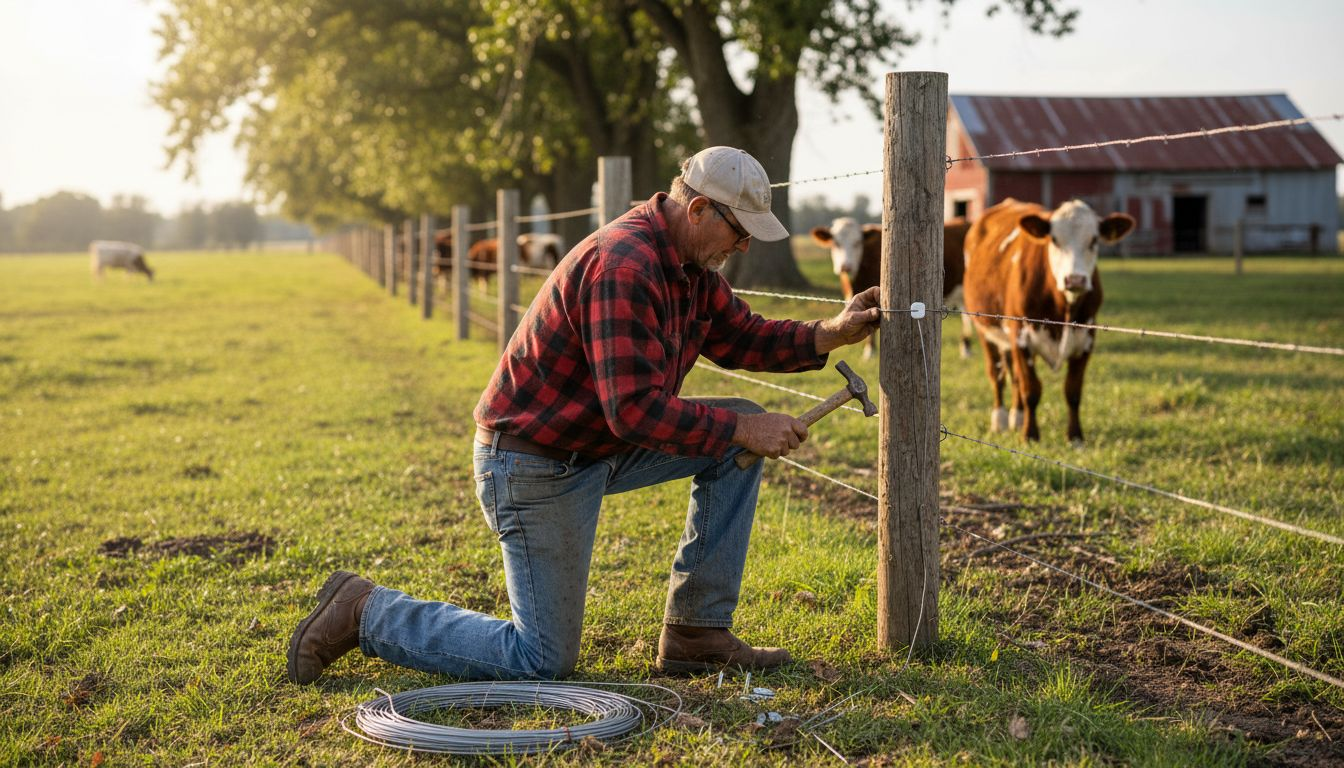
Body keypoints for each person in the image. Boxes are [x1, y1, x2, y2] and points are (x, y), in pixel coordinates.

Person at [287, 146, 882, 685]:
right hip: (532, 463)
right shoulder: (625, 265)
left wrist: (832, 332)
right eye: (740, 230)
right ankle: (365, 611)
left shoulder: (691, 268)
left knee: (736, 434)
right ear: (700, 208)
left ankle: (696, 634)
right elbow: (633, 412)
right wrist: (742, 428)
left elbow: (743, 337)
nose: (745, 246)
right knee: (540, 658)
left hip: (592, 446)